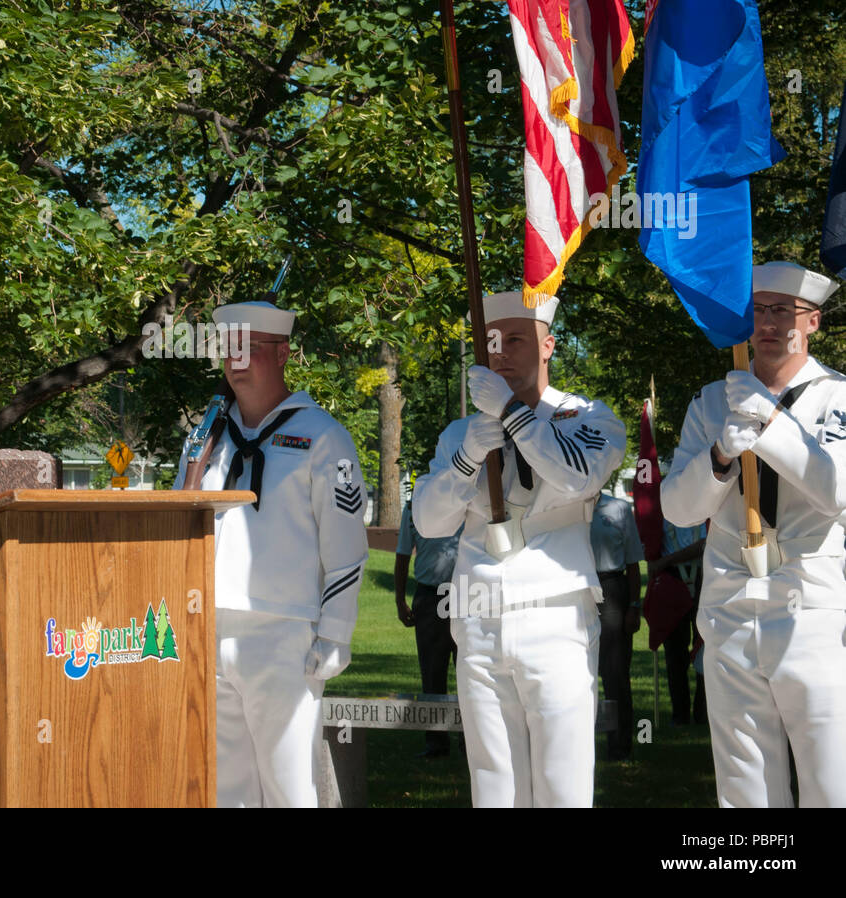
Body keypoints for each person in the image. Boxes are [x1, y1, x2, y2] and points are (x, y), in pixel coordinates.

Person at [412, 291, 625, 807]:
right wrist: (467, 456)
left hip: (555, 616)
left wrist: (513, 416)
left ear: (548, 345)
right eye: (489, 342)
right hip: (478, 620)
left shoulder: (589, 416)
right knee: (494, 784)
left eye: (514, 339)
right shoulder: (462, 432)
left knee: (562, 784)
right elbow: (429, 520)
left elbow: (577, 477)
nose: (500, 352)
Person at [660, 261, 846, 807]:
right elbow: (677, 508)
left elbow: (834, 490)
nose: (767, 324)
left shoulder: (838, 396)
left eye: (783, 312)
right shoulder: (711, 401)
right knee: (744, 789)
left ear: (812, 321)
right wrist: (719, 455)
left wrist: (768, 424)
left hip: (810, 607)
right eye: (757, 311)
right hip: (730, 606)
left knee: (829, 777)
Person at [176, 300, 369, 807]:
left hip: (285, 635)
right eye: (228, 348)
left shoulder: (324, 436)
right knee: (226, 791)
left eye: (251, 348)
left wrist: (335, 632)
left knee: (288, 789)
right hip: (211, 629)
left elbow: (347, 543)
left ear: (283, 353)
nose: (236, 360)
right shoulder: (204, 440)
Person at [393, 495, 460, 757]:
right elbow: (402, 554)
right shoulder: (415, 506)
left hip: (467, 595)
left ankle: (472, 741)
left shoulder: (468, 499)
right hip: (429, 596)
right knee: (432, 672)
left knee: (470, 671)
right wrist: (399, 600)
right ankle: (436, 742)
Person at [589, 486, 644, 760]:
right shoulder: (565, 509)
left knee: (614, 672)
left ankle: (619, 745)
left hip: (612, 589)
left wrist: (634, 606)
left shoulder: (620, 509)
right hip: (578, 591)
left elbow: (633, 563)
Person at [654, 517, 708, 726]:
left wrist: (665, 561)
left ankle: (703, 712)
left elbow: (704, 544)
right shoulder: (662, 507)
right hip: (672, 578)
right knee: (675, 652)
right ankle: (680, 714)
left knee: (704, 647)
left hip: (702, 574)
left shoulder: (705, 506)